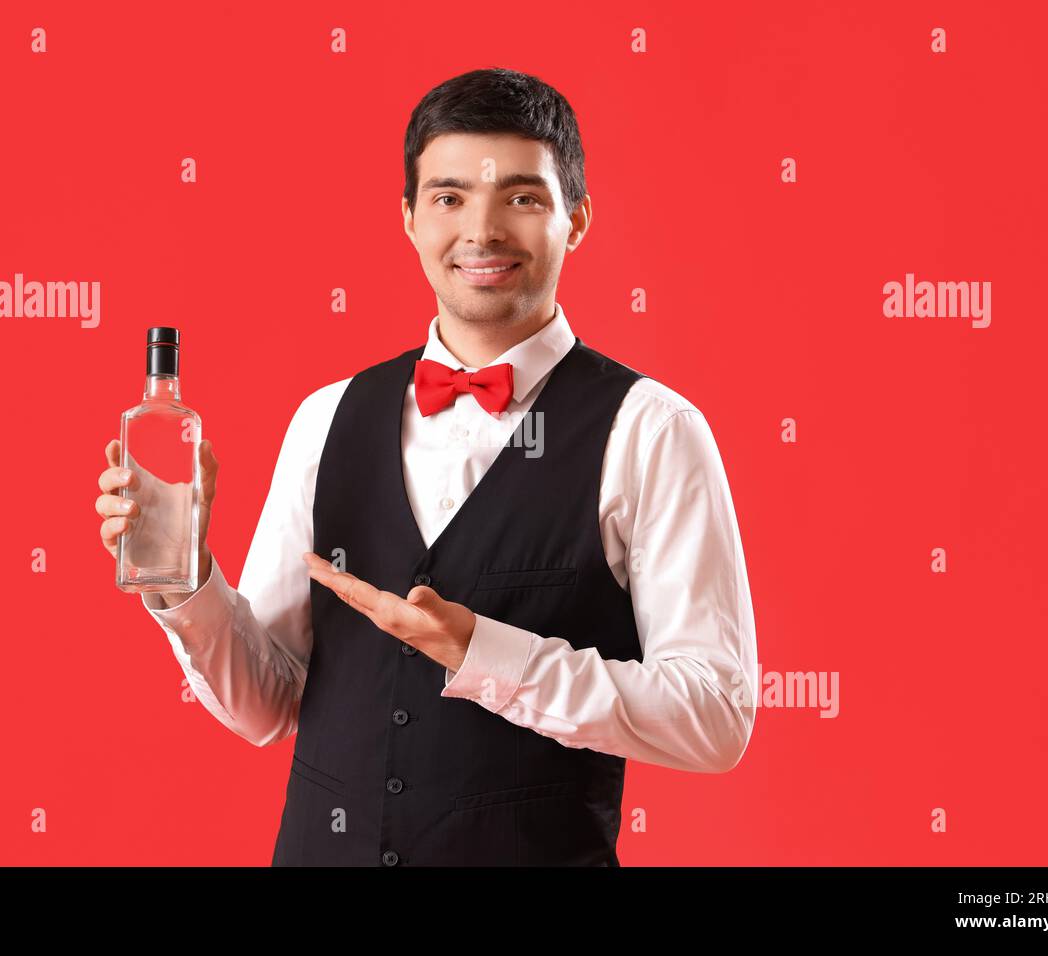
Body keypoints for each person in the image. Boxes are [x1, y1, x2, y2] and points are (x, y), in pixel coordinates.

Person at [94, 67, 758, 866]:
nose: (480, 232)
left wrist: (487, 652)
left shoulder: (652, 430)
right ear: (408, 217)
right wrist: (188, 580)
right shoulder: (326, 417)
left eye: (520, 197)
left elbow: (716, 716)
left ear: (575, 218)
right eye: (448, 198)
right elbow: (268, 706)